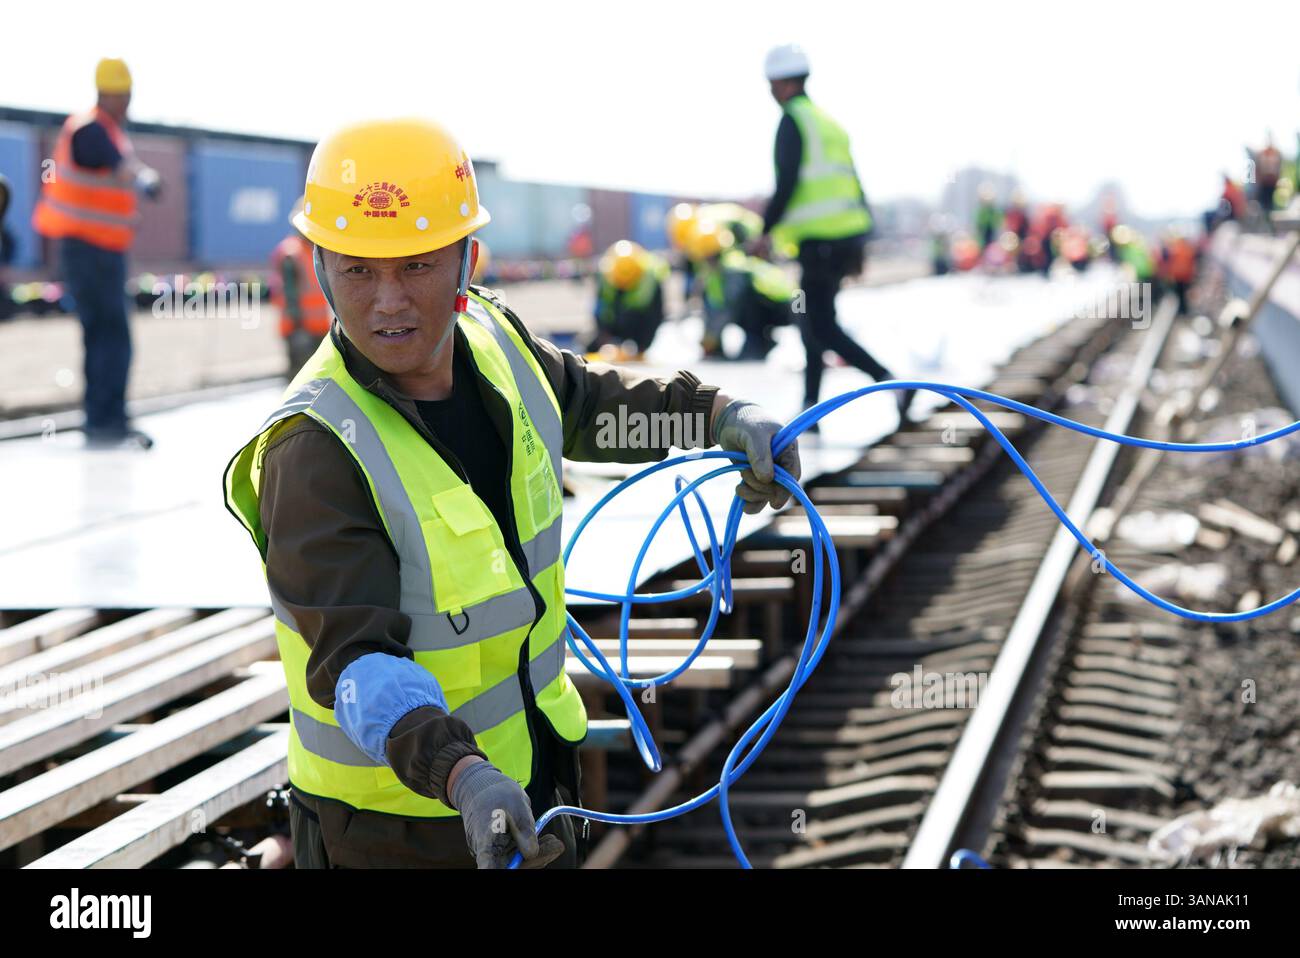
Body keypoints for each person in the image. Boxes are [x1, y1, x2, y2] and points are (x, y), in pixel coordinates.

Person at [222, 118, 803, 869]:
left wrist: (720, 418)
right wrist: (462, 777)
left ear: (468, 258)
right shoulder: (316, 448)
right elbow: (357, 664)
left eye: (417, 265)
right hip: (395, 831)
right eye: (357, 270)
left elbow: (592, 408)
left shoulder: (494, 343)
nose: (387, 302)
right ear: (321, 264)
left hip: (524, 774)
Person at [750, 43, 911, 421]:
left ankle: (889, 381)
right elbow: (853, 185)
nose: (771, 93)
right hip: (842, 239)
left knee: (819, 322)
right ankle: (811, 405)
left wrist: (765, 232)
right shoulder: (827, 122)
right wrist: (862, 241)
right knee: (811, 318)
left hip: (822, 244)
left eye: (772, 85)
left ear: (783, 83)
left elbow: (787, 183)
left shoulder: (794, 120)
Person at [31, 57, 161, 448]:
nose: (127, 105)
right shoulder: (90, 130)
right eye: (123, 97)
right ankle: (108, 420)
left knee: (103, 335)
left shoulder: (106, 131)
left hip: (97, 250)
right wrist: (143, 179)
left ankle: (102, 417)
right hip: (89, 251)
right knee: (111, 335)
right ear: (109, 94)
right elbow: (114, 165)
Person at [690, 220, 794, 360]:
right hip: (787, 305)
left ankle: (757, 343)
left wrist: (710, 339)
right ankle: (758, 342)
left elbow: (728, 308)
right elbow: (717, 306)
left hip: (785, 307)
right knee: (745, 303)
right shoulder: (728, 264)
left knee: (744, 302)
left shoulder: (731, 269)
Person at [269, 197, 332, 375]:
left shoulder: (313, 250)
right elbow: (290, 294)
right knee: (301, 379)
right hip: (300, 330)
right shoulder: (292, 253)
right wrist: (298, 329)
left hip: (318, 328)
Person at [588, 239, 668, 357]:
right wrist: (604, 338)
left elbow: (655, 316)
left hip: (639, 322)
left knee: (638, 321)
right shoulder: (606, 274)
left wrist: (642, 347)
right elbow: (599, 309)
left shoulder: (650, 279)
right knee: (590, 346)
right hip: (613, 323)